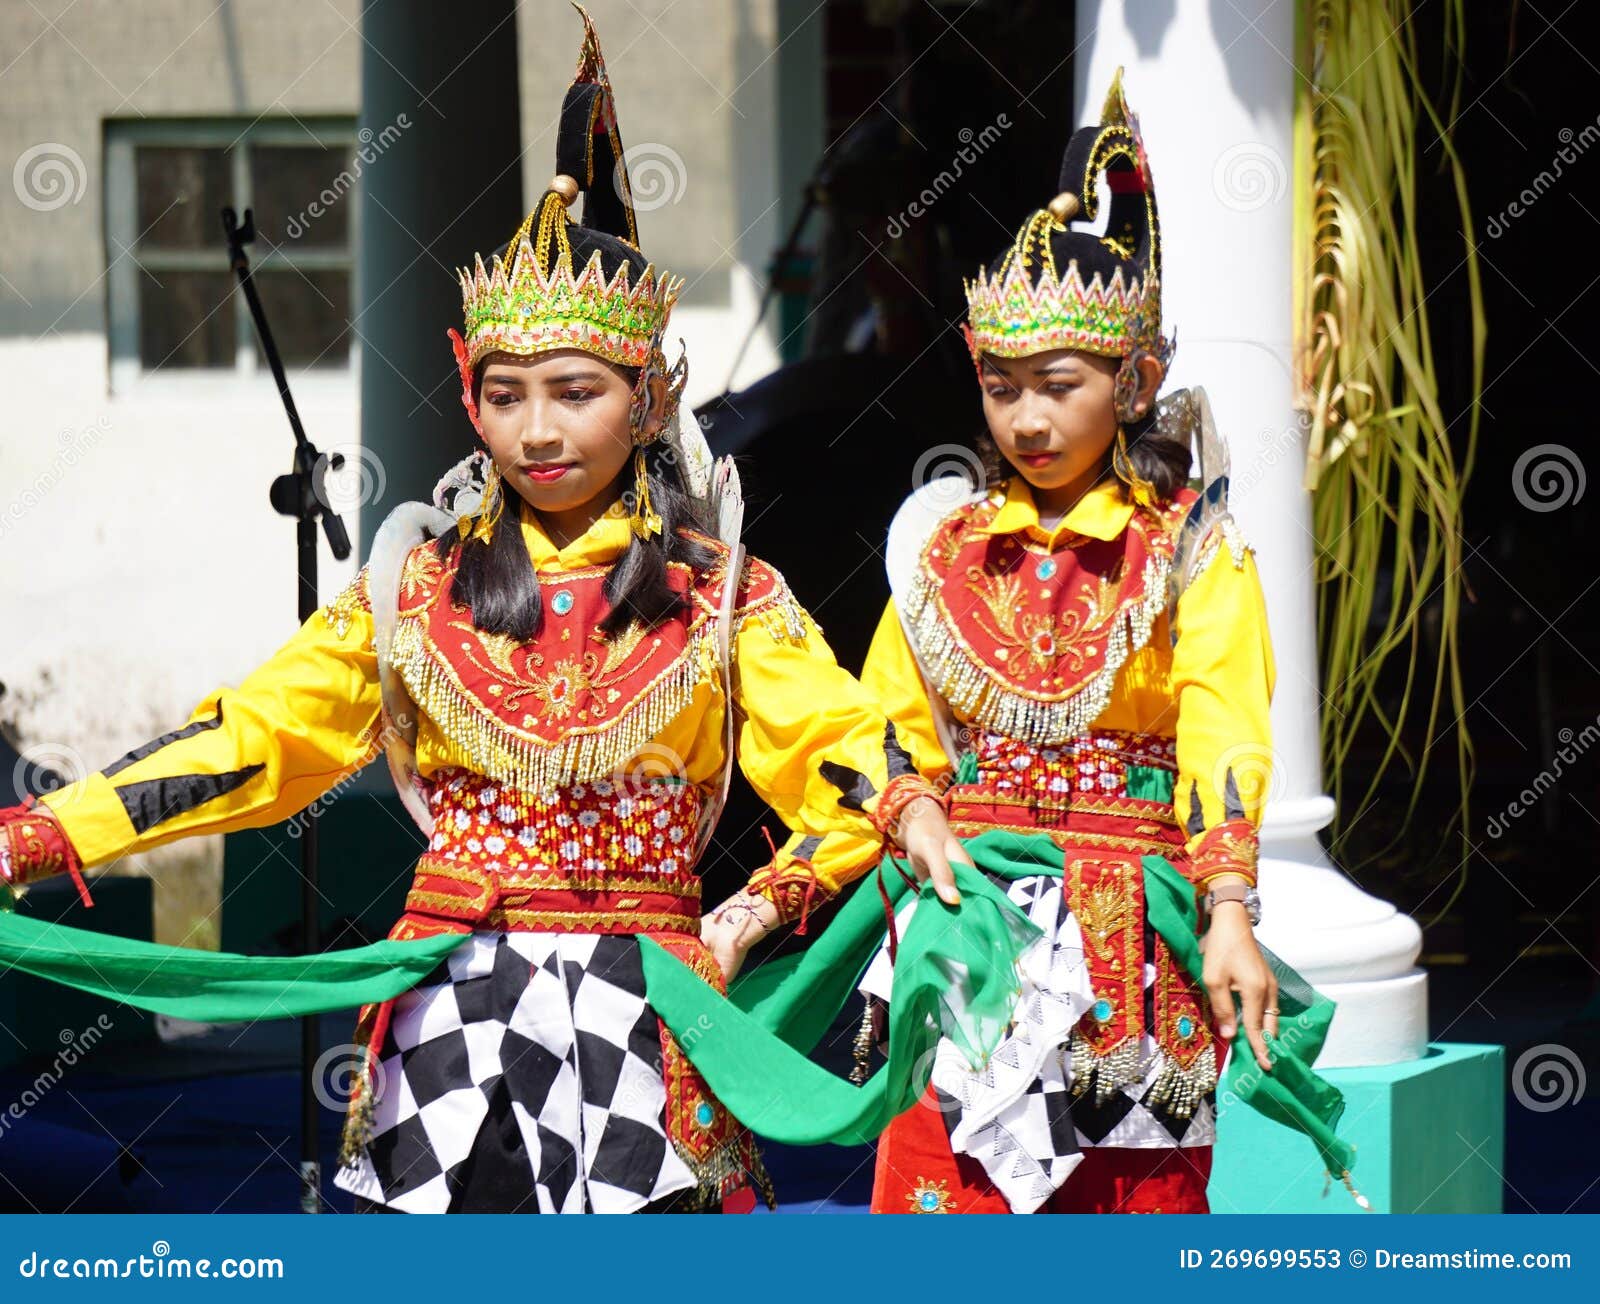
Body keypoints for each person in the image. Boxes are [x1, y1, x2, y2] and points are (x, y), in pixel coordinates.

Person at [0, 6, 965, 1214]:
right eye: (505, 395)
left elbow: (846, 761)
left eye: (575, 392)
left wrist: (760, 907)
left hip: (652, 1012)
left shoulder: (717, 598)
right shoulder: (418, 592)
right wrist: (41, 836)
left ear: (650, 392)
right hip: (446, 1016)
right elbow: (253, 739)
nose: (539, 429)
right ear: (466, 390)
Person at [844, 72, 1280, 1214]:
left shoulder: (1191, 550)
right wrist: (903, 814)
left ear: (1132, 383)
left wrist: (1229, 908)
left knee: (1128, 1211)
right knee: (945, 1200)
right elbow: (884, 727)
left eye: (1060, 384)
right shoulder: (944, 553)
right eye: (1000, 387)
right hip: (970, 926)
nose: (1027, 418)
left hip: (1132, 939)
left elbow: (1222, 725)